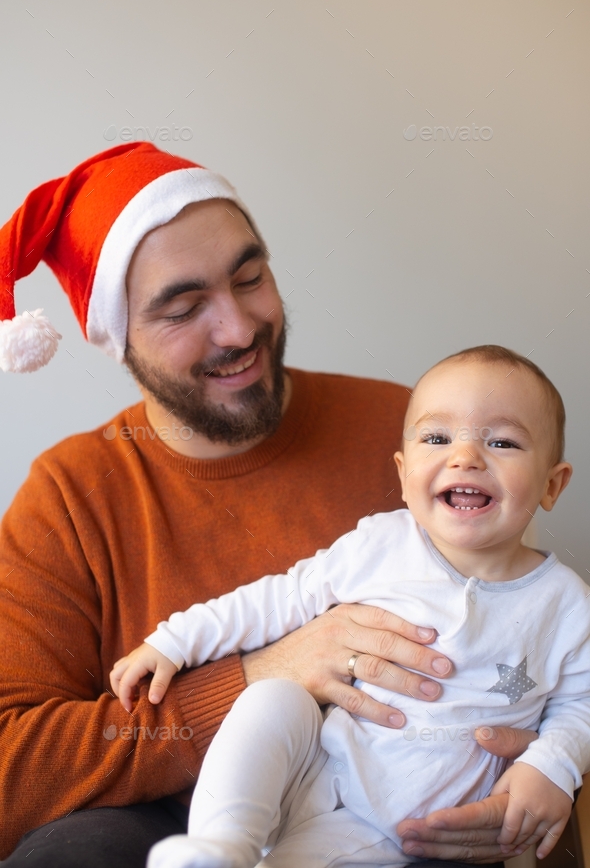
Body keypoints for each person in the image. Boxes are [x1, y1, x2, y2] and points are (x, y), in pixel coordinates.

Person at [0, 142, 532, 868]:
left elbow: (529, 629)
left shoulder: (410, 436)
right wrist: (258, 674)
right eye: (185, 308)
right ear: (118, 338)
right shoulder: (71, 495)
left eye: (250, 277)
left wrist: (537, 759)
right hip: (166, 828)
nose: (240, 328)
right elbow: (12, 768)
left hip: (392, 817)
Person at [110, 345, 590, 868]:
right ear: (405, 476)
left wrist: (552, 768)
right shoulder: (381, 544)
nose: (466, 457)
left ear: (551, 484)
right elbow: (281, 597)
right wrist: (177, 639)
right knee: (273, 699)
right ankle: (222, 844)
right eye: (437, 438)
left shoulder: (565, 603)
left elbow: (581, 707)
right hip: (317, 760)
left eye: (502, 441)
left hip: (396, 821)